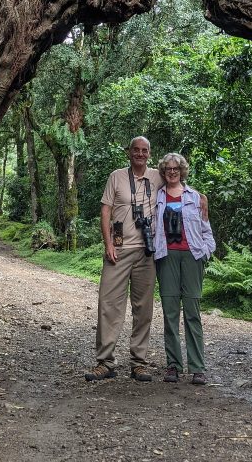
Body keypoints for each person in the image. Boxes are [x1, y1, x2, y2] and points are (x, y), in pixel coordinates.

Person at [85, 137, 207, 382]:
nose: (140, 154)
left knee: (144, 310)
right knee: (109, 304)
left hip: (148, 251)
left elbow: (178, 182)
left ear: (149, 154)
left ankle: (138, 363)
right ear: (129, 152)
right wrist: (108, 244)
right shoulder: (116, 176)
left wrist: (201, 196)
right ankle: (105, 362)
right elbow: (105, 211)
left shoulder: (156, 176)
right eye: (136, 150)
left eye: (144, 151)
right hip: (118, 249)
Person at [154, 152, 216, 385]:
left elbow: (206, 230)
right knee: (170, 312)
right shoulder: (157, 197)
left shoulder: (196, 197)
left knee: (192, 312)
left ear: (182, 171)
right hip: (166, 256)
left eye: (176, 169)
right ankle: (173, 366)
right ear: (163, 172)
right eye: (168, 169)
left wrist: (205, 252)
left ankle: (197, 367)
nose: (172, 172)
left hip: (192, 256)